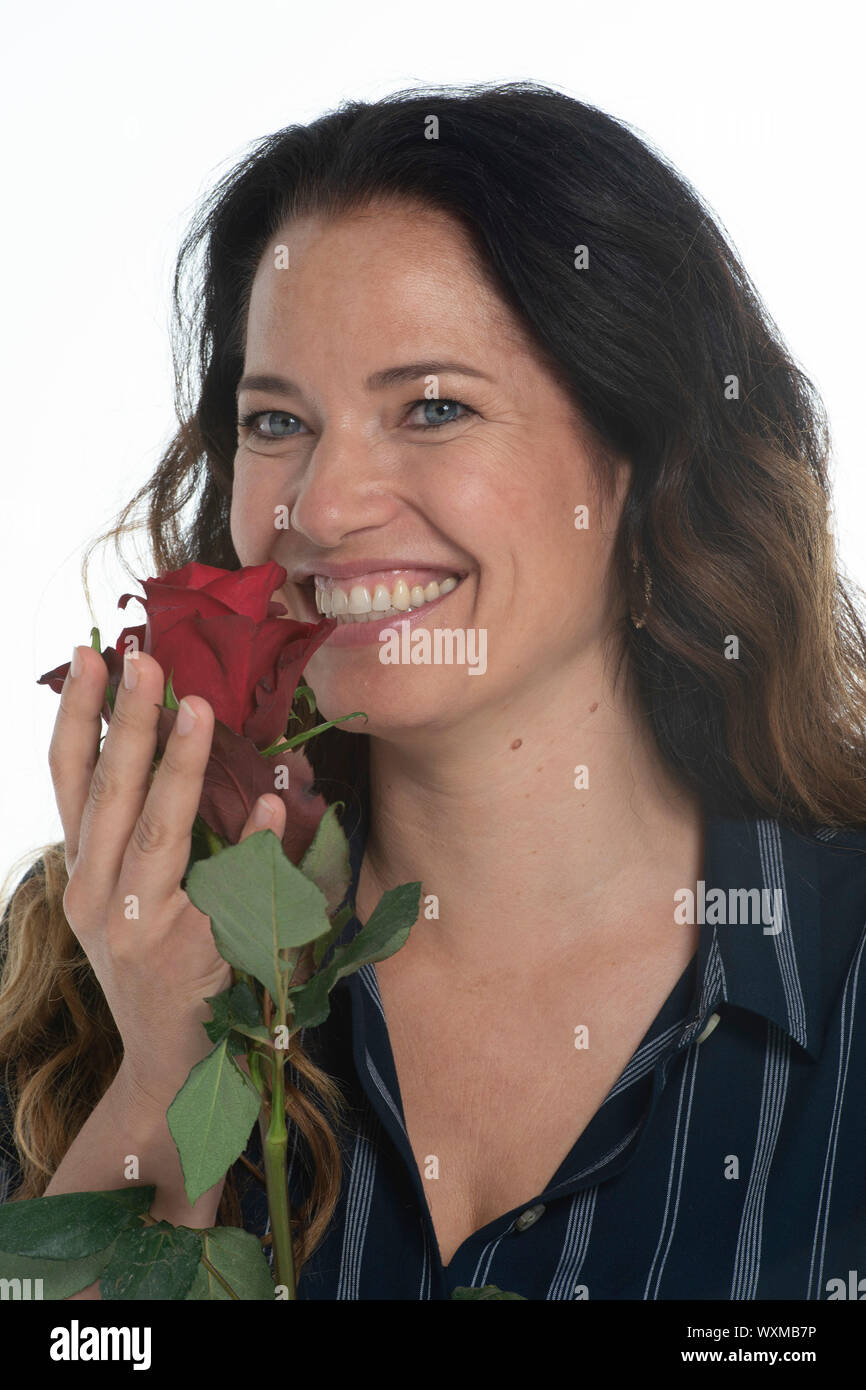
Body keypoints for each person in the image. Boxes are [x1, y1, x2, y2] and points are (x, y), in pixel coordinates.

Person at [2, 80, 866, 1301]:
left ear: (639, 468)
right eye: (274, 419)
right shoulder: (84, 976)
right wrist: (159, 1070)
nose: (324, 505)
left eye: (433, 407)